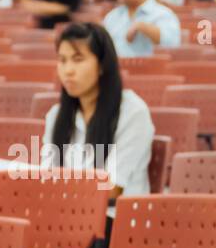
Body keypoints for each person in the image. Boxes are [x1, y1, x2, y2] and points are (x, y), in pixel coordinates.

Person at [44, 22, 154, 199]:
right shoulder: (55, 115)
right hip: (66, 215)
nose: (68, 70)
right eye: (62, 60)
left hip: (116, 219)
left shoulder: (132, 112)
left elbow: (111, 188)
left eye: (78, 60)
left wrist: (57, 193)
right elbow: (46, 178)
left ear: (102, 65)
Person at [103, 0, 181, 58]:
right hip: (117, 70)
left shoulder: (163, 14)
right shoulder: (112, 16)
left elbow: (172, 44)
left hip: (152, 70)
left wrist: (143, 27)